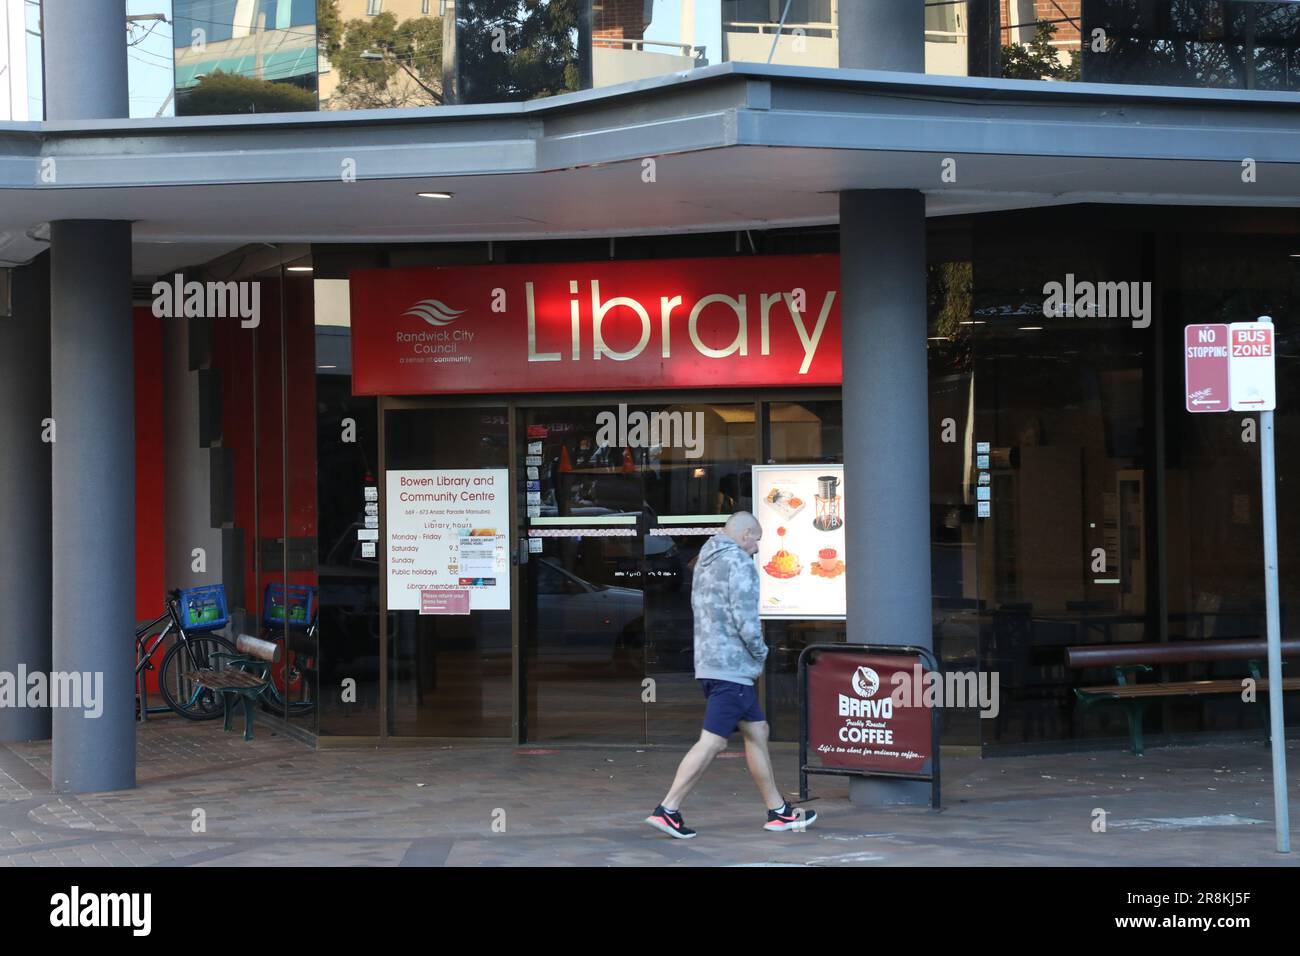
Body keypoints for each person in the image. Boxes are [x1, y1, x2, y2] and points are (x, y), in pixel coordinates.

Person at [645, 511, 817, 838]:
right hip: (732, 667)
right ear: (746, 535)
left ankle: (778, 811)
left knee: (758, 731)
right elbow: (746, 619)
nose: (757, 549)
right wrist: (761, 652)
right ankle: (668, 809)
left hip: (710, 663)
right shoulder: (739, 564)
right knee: (712, 742)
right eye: (757, 541)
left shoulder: (704, 561)